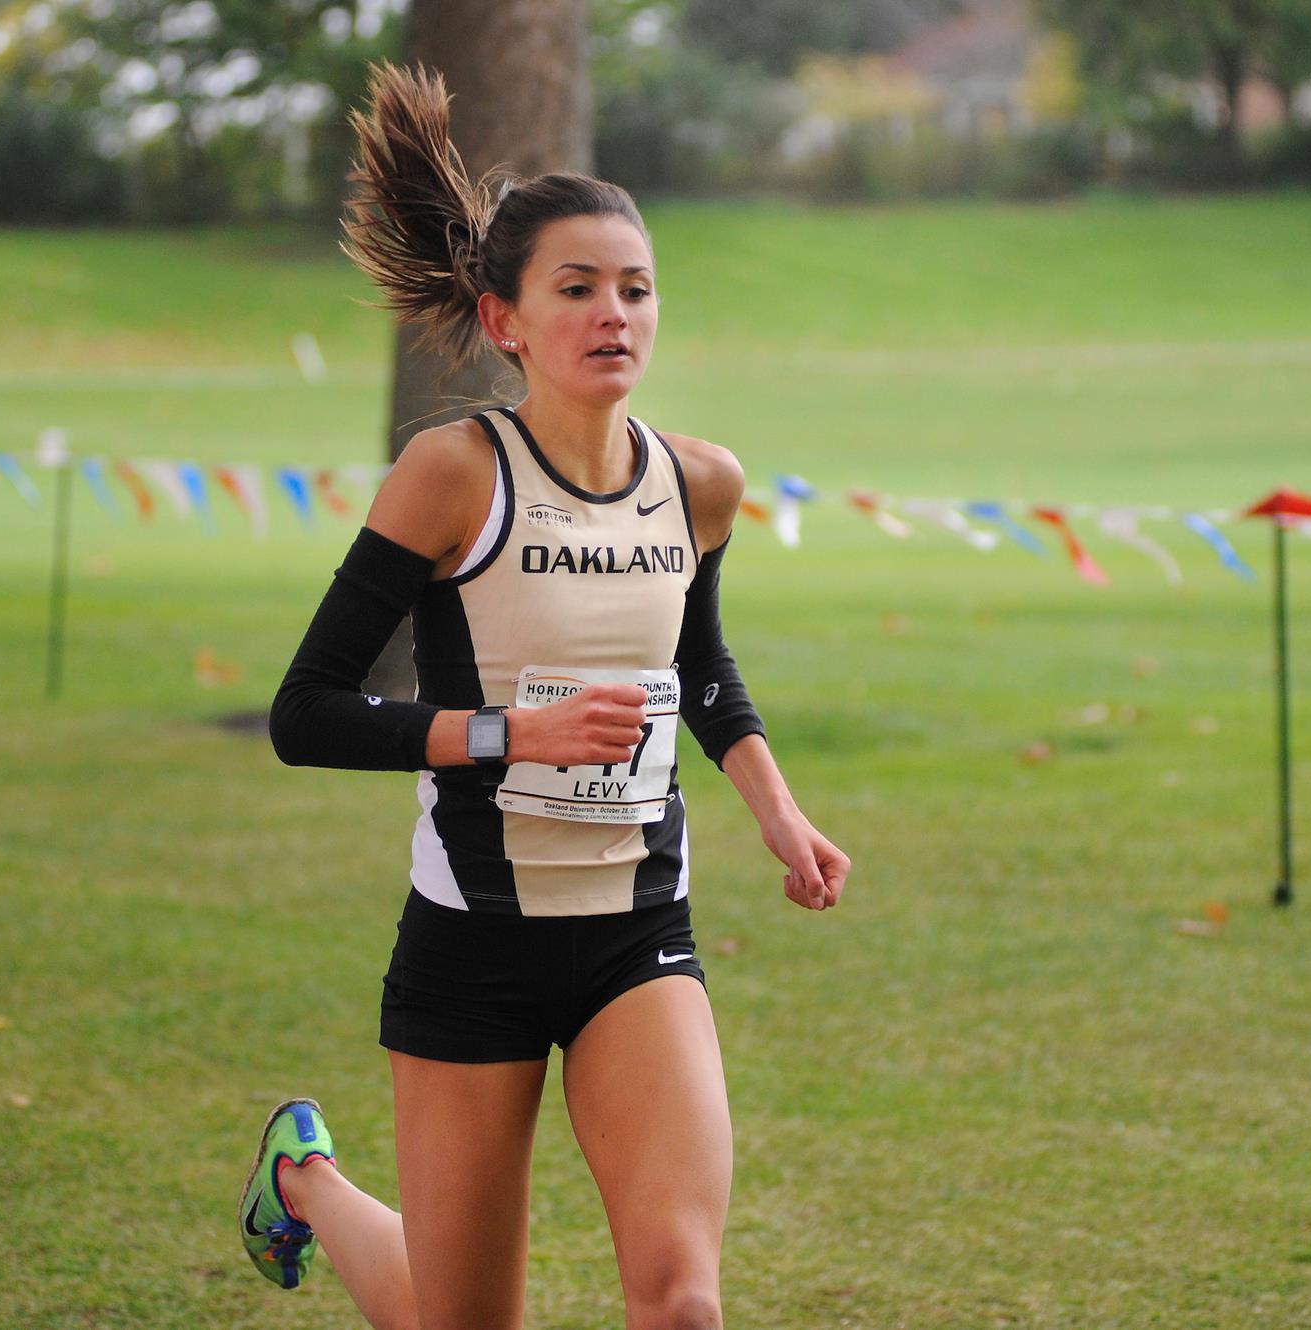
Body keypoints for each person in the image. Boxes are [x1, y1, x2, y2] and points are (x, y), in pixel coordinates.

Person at [239, 62, 851, 1330]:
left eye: (634, 288)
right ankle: (301, 1178)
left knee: (682, 1303)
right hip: (474, 943)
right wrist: (509, 734)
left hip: (638, 928)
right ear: (504, 318)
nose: (612, 312)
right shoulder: (450, 474)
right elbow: (305, 712)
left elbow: (700, 668)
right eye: (575, 288)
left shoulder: (698, 483)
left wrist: (777, 813)